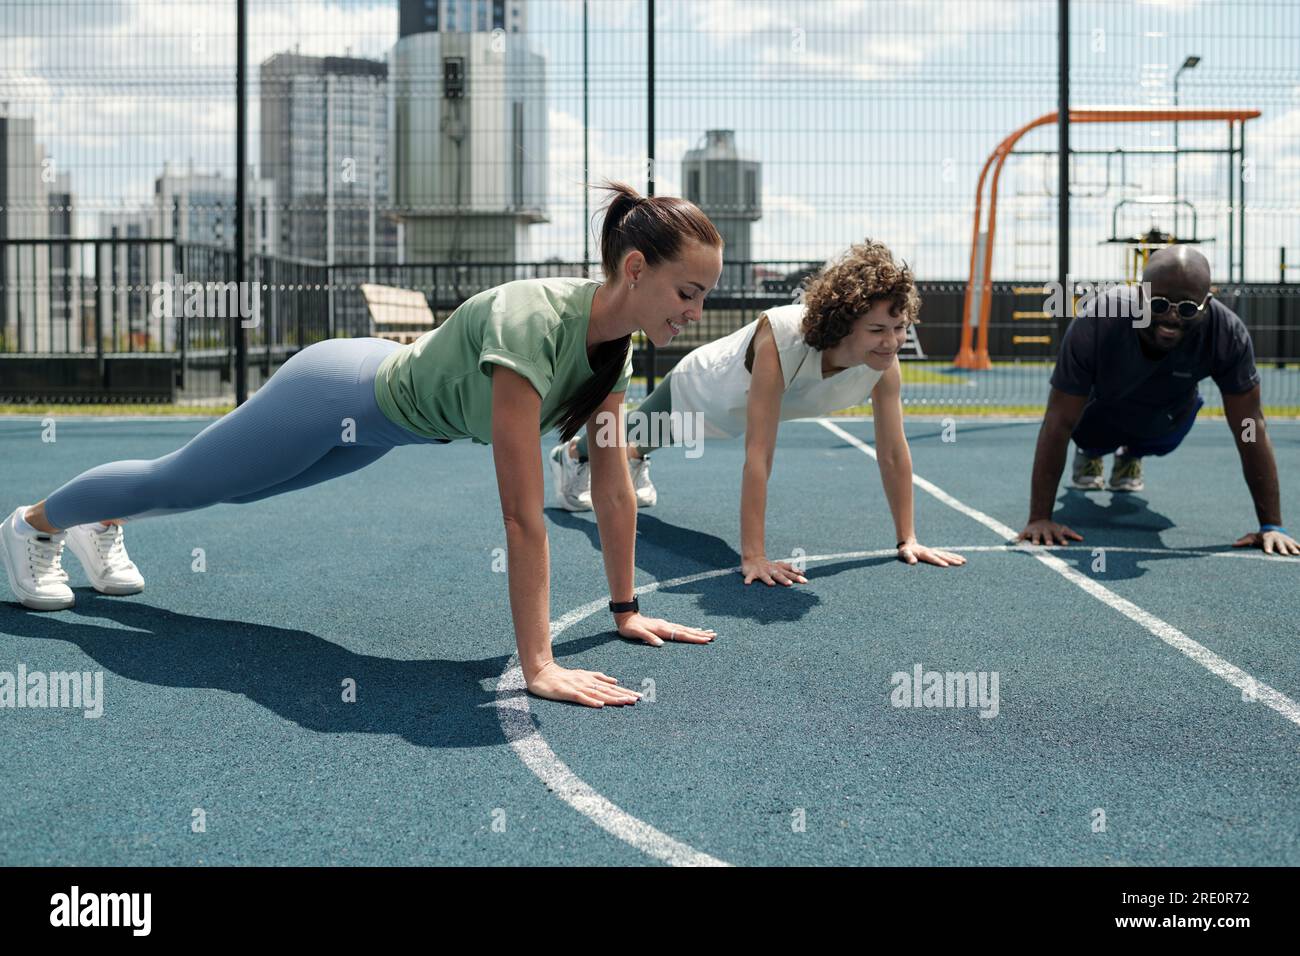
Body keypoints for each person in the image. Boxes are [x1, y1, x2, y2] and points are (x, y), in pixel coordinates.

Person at [1, 182, 726, 707]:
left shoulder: (615, 353)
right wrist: (537, 664)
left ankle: (101, 523)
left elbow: (612, 484)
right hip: (336, 393)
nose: (696, 313)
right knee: (184, 481)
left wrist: (625, 608)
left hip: (383, 426)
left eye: (705, 297)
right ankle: (36, 523)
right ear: (636, 269)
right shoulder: (531, 323)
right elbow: (520, 515)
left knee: (240, 486)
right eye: (688, 293)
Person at [550, 240, 966, 585]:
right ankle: (569, 456)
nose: (891, 342)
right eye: (877, 330)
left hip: (733, 414)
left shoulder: (884, 366)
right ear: (843, 323)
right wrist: (754, 557)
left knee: (638, 443)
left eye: (899, 328)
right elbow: (759, 455)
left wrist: (906, 539)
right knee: (618, 434)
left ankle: (636, 459)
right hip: (699, 390)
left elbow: (893, 452)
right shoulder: (782, 337)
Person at [1018, 245, 1299, 556]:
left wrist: (1271, 525)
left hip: (1166, 418)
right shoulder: (1099, 321)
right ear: (1140, 294)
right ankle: (1091, 452)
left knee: (1162, 433)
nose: (1172, 318)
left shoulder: (1227, 335)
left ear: (1207, 303)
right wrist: (1040, 517)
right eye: (1160, 303)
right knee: (1086, 432)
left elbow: (1249, 426)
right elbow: (1059, 420)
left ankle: (1130, 456)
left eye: (1188, 309)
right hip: (1098, 416)